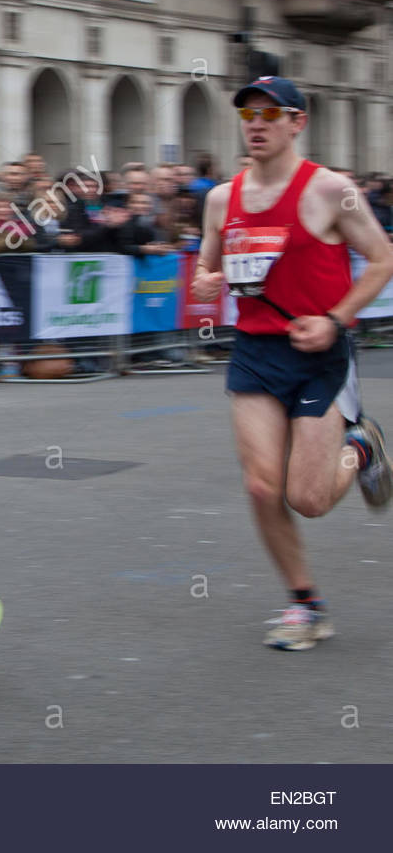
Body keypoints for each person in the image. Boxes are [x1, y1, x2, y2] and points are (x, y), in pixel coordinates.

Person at [190, 75, 393, 652]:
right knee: (261, 487)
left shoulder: (331, 191)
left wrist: (336, 318)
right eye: (248, 114)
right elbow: (209, 269)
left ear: (297, 123)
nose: (256, 123)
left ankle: (362, 446)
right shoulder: (220, 199)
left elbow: (382, 259)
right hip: (256, 353)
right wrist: (207, 283)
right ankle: (305, 604)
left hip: (318, 353)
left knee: (308, 499)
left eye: (270, 114)